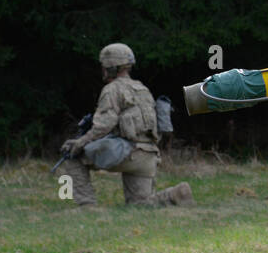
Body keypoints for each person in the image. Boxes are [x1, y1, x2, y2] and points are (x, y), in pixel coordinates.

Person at [59, 43, 193, 207]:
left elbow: (103, 125)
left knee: (73, 156)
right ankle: (173, 195)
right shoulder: (142, 88)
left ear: (110, 67)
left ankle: (87, 206)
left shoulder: (112, 89)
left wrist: (79, 142)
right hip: (149, 155)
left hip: (127, 152)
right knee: (139, 204)